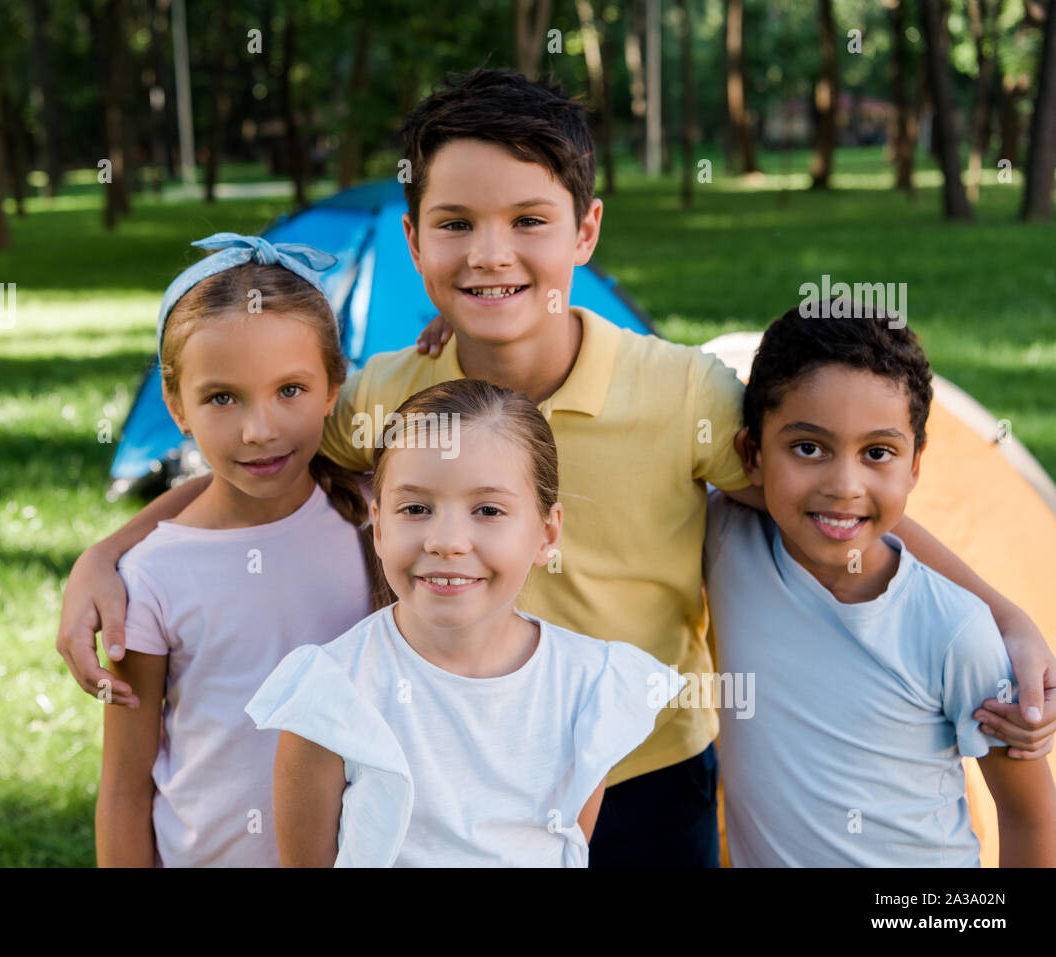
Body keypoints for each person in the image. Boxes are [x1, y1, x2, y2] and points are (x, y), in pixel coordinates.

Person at [61, 68, 1056, 868]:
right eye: (455, 224)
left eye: (528, 221)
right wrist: (110, 551)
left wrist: (999, 608)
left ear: (583, 231)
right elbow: (261, 465)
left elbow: (829, 507)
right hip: (457, 783)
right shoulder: (384, 398)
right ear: (412, 241)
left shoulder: (683, 396)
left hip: (651, 777)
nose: (491, 254)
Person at [246, 378, 684, 866]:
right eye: (415, 508)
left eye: (488, 510)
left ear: (547, 532)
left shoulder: (590, 686)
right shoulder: (332, 694)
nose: (447, 540)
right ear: (380, 524)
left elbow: (565, 848)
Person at [704, 303, 1056, 866]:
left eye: (877, 453)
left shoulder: (957, 633)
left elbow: (1028, 814)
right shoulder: (727, 535)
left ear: (915, 466)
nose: (844, 485)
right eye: (808, 448)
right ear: (752, 454)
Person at [94, 233, 382, 867]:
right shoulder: (152, 574)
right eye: (222, 397)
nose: (260, 430)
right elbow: (122, 789)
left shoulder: (378, 523)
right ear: (176, 407)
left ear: (334, 388)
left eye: (291, 391)